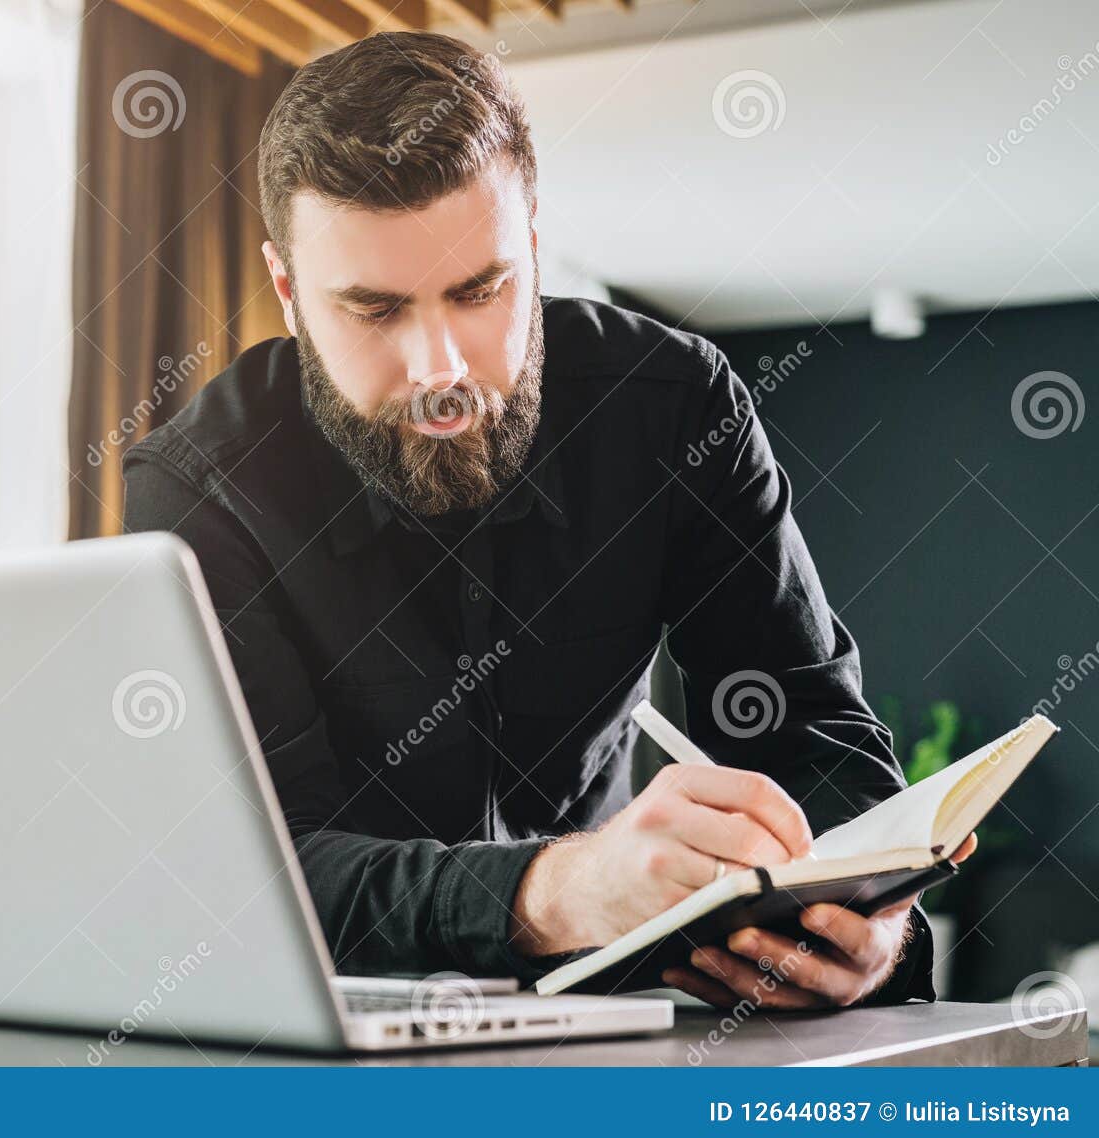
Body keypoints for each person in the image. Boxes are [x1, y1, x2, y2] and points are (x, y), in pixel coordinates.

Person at [121, 30, 974, 1009]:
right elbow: (246, 877)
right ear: (287, 291)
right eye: (373, 309)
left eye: (479, 290)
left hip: (621, 1021)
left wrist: (873, 921)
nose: (438, 365)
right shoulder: (198, 488)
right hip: (318, 1043)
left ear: (530, 246)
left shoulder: (675, 408)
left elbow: (813, 731)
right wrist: (549, 889)